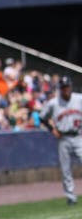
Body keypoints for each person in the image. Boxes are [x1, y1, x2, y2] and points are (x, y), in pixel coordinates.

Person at [40, 76, 82, 205]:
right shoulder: (53, 103)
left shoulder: (79, 98)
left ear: (71, 86)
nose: (65, 90)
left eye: (67, 86)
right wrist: (52, 129)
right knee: (66, 169)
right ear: (60, 89)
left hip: (78, 136)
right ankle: (70, 197)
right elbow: (42, 118)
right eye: (63, 87)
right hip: (63, 137)